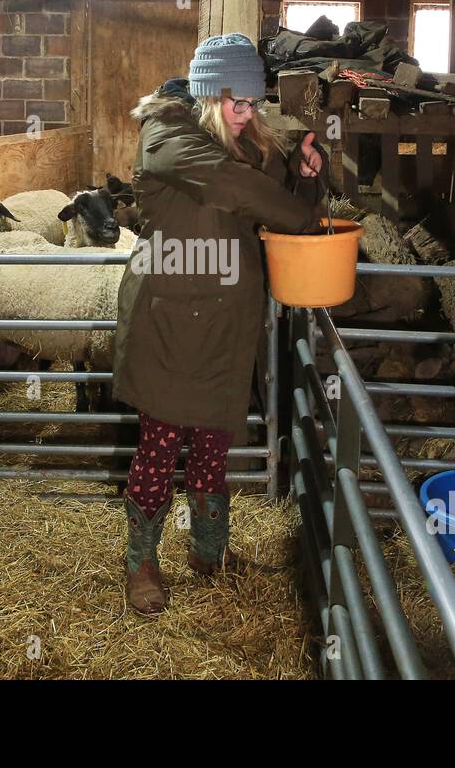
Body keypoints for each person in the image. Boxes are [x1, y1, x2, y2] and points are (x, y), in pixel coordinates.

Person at [112, 33, 326, 616]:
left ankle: (210, 552)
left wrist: (307, 167)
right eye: (235, 100)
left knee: (213, 446)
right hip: (171, 323)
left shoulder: (239, 142)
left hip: (228, 323)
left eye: (253, 102)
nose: (245, 113)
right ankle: (142, 563)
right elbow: (254, 195)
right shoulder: (171, 140)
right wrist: (301, 206)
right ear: (207, 94)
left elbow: (277, 178)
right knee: (158, 450)